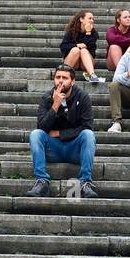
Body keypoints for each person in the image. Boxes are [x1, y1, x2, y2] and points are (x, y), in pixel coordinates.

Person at [28, 63, 98, 198]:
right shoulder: (46, 98)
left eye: (65, 78)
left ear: (72, 81)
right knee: (35, 135)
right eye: (57, 77)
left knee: (88, 135)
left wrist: (59, 133)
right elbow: (42, 128)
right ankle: (42, 182)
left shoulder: (82, 97)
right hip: (53, 150)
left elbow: (87, 126)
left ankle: (85, 183)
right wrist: (55, 105)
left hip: (75, 149)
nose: (60, 80)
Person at [59, 10, 103, 84]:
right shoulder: (71, 31)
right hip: (72, 61)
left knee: (83, 50)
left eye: (93, 19)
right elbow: (63, 47)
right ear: (81, 19)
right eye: (89, 18)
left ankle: (93, 76)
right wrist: (76, 45)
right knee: (76, 50)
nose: (92, 20)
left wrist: (88, 32)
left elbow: (90, 47)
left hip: (86, 64)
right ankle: (63, 75)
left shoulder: (93, 33)